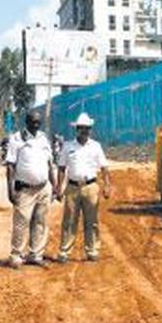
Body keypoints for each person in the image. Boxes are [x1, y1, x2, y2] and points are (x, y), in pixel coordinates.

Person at [4, 109, 57, 269]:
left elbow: (49, 163)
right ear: (26, 122)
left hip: (43, 188)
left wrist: (53, 185)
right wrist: (10, 189)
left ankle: (36, 254)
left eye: (38, 122)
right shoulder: (17, 139)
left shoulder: (43, 138)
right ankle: (16, 255)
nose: (36, 124)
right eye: (33, 122)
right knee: (21, 223)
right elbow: (10, 166)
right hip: (25, 190)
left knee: (40, 222)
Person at [55, 112, 111, 263]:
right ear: (77, 129)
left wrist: (107, 185)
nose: (84, 131)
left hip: (90, 187)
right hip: (72, 187)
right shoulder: (68, 147)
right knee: (69, 221)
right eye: (81, 128)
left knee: (91, 221)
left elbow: (104, 167)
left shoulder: (96, 146)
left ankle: (92, 250)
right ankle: (65, 251)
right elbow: (61, 168)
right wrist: (58, 187)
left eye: (87, 128)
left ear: (90, 129)